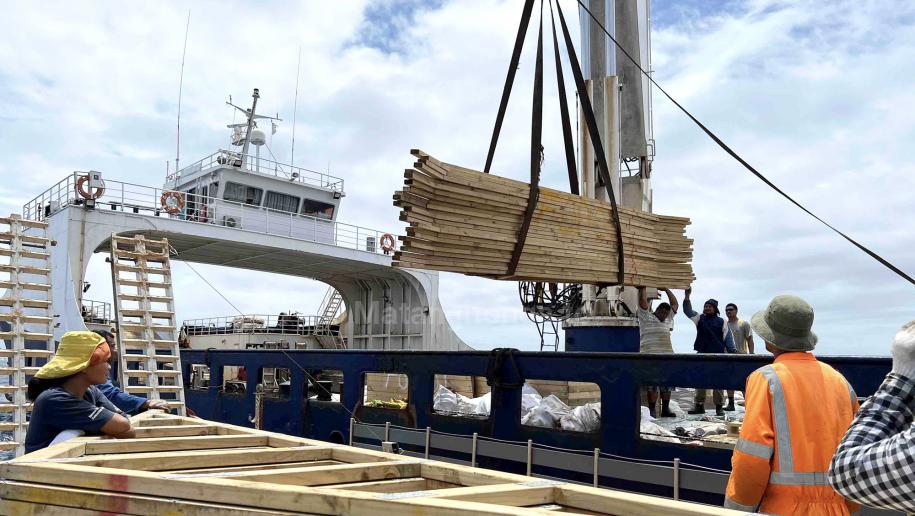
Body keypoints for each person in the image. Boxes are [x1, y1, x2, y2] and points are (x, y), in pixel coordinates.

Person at [724, 295, 859, 514]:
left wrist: (736, 510)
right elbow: (856, 452)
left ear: (769, 339)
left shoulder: (767, 380)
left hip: (785, 509)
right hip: (838, 509)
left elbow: (752, 458)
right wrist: (849, 508)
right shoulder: (840, 382)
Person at [827, 320, 915, 513]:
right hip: (838, 508)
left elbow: (847, 473)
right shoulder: (837, 379)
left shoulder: (766, 379)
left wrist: (902, 375)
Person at [24, 331, 135, 453]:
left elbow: (127, 426)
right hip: (40, 468)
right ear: (84, 366)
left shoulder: (90, 391)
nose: (109, 367)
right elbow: (122, 425)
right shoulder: (55, 399)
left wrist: (105, 426)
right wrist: (106, 427)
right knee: (71, 434)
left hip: (66, 466)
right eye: (104, 361)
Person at [683, 288, 736, 416]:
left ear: (715, 309)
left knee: (718, 382)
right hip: (701, 354)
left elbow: (728, 337)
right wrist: (687, 296)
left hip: (718, 355)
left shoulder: (722, 321)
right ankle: (699, 406)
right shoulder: (699, 318)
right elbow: (687, 311)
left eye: (709, 306)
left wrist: (733, 353)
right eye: (705, 306)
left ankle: (719, 407)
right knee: (699, 381)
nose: (707, 308)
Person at [95, 330, 170, 414]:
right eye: (112, 346)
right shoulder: (95, 367)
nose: (115, 351)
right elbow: (109, 394)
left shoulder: (97, 367)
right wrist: (144, 403)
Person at [636, 287, 679, 418]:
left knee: (667, 384)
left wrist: (666, 289)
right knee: (653, 385)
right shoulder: (646, 317)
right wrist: (642, 288)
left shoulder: (668, 319)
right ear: (658, 310)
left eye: (667, 313)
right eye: (663, 312)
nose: (664, 315)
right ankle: (652, 410)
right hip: (650, 356)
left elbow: (675, 304)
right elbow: (643, 302)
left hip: (667, 357)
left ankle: (665, 408)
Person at [724, 303, 755, 412]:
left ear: (736, 311)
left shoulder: (743, 324)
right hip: (727, 357)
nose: (728, 311)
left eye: (731, 309)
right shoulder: (725, 325)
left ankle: (749, 405)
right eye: (727, 310)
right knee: (729, 381)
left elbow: (750, 339)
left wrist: (751, 354)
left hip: (742, 357)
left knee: (744, 382)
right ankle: (731, 403)